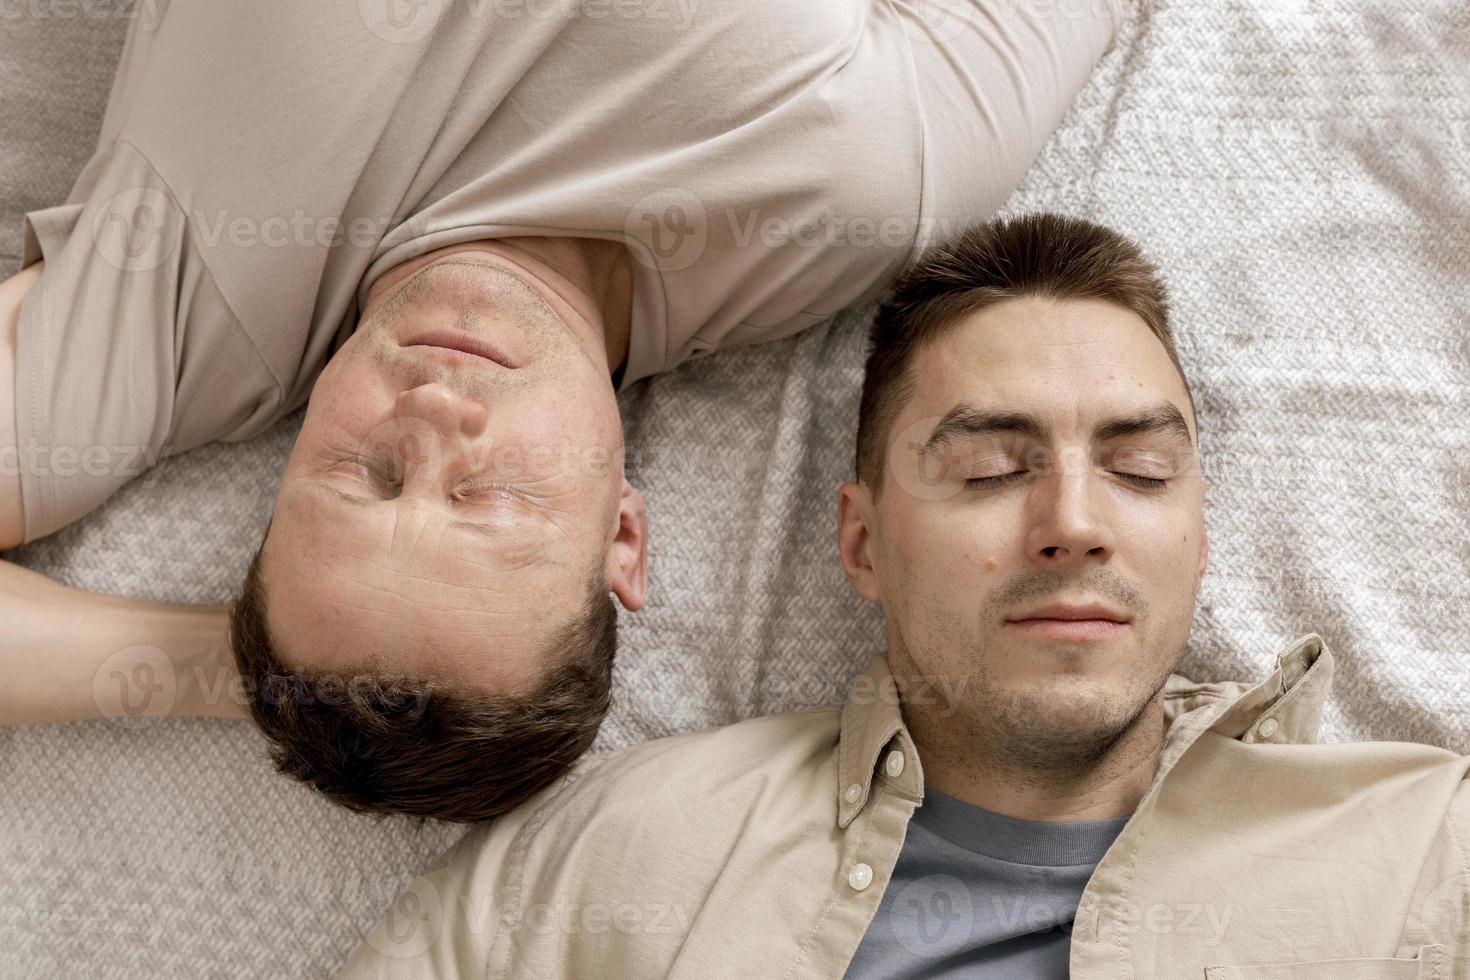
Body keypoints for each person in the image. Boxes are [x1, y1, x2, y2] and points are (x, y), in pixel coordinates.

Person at [0, 0, 1129, 819]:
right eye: (489, 494)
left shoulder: (176, 312)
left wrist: (261, 673)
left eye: (364, 472)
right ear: (624, 531)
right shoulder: (853, 191)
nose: (435, 416)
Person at [333, 213, 1470, 979]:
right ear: (863, 542)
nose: (1074, 521)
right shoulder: (614, 851)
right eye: (988, 468)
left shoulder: (1430, 852)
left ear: (1199, 535)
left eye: (1140, 471)